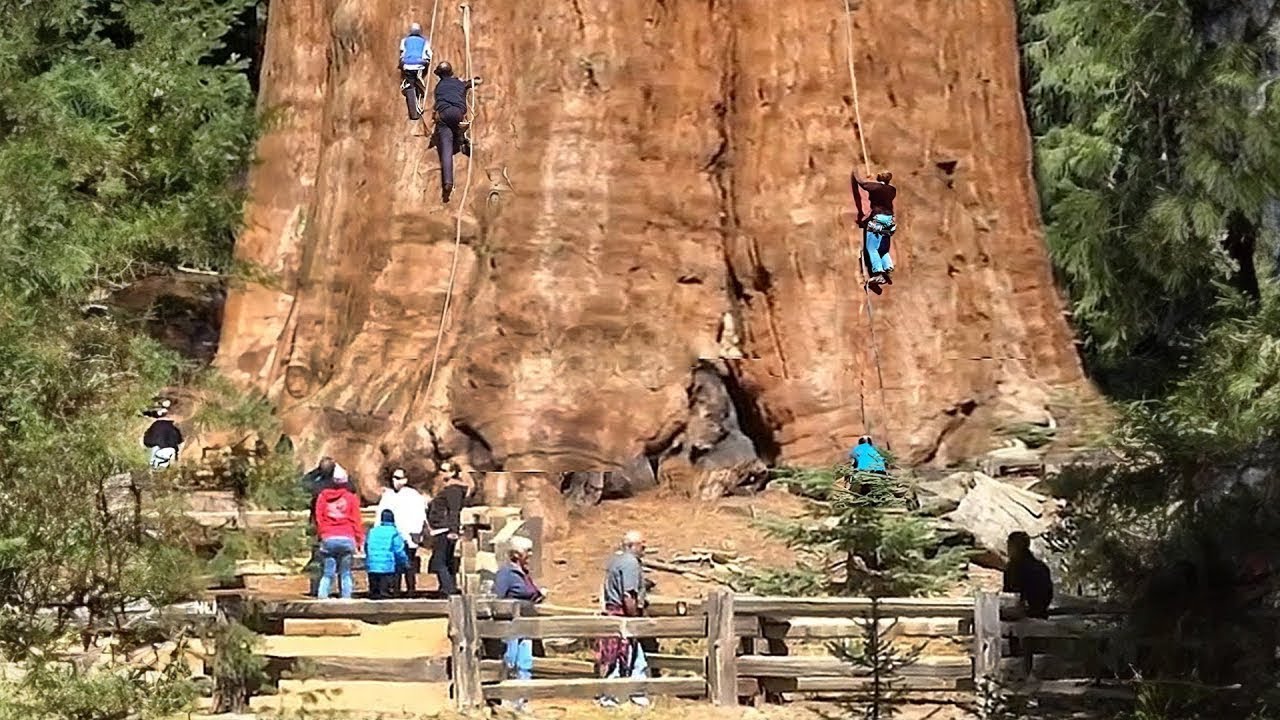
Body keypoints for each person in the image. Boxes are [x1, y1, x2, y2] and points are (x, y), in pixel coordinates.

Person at [595, 530, 651, 708]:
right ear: (632, 546)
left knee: (630, 655)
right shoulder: (630, 563)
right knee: (621, 654)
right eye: (642, 544)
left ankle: (634, 689)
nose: (645, 547)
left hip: (612, 612)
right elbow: (629, 594)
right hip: (623, 614)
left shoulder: (614, 560)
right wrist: (634, 617)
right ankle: (618, 693)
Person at [492, 536, 546, 712]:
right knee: (510, 660)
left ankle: (522, 699)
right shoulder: (506, 574)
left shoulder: (524, 574)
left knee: (525, 662)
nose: (530, 555)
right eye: (527, 552)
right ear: (516, 554)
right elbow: (497, 598)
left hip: (526, 625)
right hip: (511, 626)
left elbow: (531, 593)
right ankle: (507, 697)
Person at [430, 62, 482, 203]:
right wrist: (474, 81)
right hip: (458, 114)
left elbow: (438, 103)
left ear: (440, 75)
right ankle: (463, 139)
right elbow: (466, 85)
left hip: (444, 115)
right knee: (460, 127)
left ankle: (448, 183)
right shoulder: (458, 83)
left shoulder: (439, 87)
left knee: (446, 148)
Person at [301, 456, 350, 596]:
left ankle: (318, 591)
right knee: (344, 569)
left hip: (320, 528)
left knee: (319, 562)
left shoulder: (318, 488)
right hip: (342, 531)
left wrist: (317, 472)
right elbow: (351, 484)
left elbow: (303, 484)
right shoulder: (344, 489)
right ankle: (345, 595)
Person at [376, 467, 430, 596]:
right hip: (392, 535)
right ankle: (396, 590)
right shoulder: (388, 495)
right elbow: (380, 514)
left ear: (405, 480)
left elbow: (420, 515)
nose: (396, 481)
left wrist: (416, 533)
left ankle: (411, 589)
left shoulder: (414, 496)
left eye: (399, 478)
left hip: (410, 535)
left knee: (409, 564)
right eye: (394, 478)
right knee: (395, 564)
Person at [314, 478, 364, 600]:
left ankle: (322, 596)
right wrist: (359, 540)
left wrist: (322, 534)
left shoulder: (322, 497)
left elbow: (319, 518)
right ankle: (346, 598)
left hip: (328, 537)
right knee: (345, 572)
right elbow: (356, 520)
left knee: (327, 572)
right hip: (347, 537)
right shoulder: (351, 498)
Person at [850, 168, 898, 290]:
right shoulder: (892, 190)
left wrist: (855, 175)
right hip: (888, 219)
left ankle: (878, 274)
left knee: (872, 248)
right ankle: (888, 268)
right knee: (883, 248)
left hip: (878, 218)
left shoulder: (876, 187)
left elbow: (863, 184)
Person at [426, 463, 469, 596]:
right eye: (441, 470)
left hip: (445, 529)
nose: (441, 473)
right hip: (441, 528)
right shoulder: (447, 489)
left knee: (438, 562)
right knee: (446, 561)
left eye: (444, 470)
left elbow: (454, 510)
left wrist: (453, 530)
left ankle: (448, 589)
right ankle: (447, 587)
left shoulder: (453, 490)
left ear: (453, 472)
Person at [1003, 531, 1053, 619]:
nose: (1008, 549)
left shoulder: (1014, 568)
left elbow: (1011, 595)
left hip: (1023, 615)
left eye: (1009, 546)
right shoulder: (1041, 567)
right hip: (1040, 614)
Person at [365, 509, 410, 600]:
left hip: (372, 566)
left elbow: (366, 546)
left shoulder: (372, 531)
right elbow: (398, 551)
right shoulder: (394, 532)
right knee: (384, 595)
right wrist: (405, 562)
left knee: (374, 594)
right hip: (386, 568)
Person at [142, 405, 184, 470]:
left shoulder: (154, 426)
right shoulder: (173, 427)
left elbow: (147, 441)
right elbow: (180, 440)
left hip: (156, 451)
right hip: (169, 452)